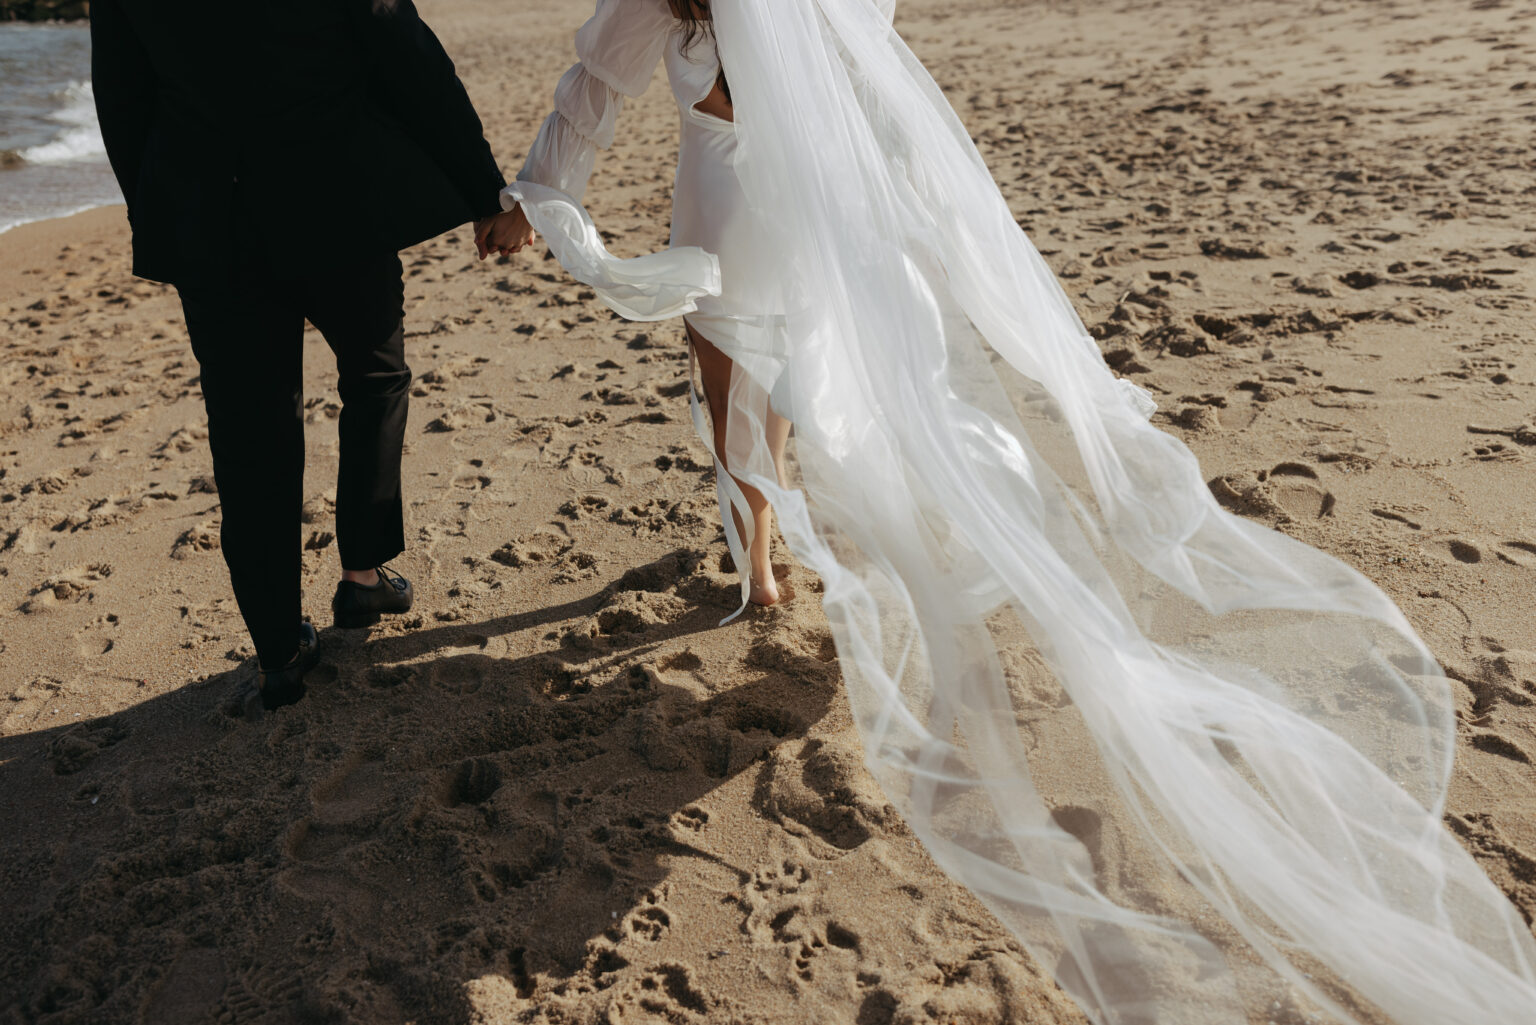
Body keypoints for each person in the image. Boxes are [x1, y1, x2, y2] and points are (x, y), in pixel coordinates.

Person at [481, 1, 1536, 1023]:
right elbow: (867, 69)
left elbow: (592, 93)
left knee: (734, 400)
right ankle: (775, 558)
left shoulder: (667, 9)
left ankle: (758, 567)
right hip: (793, 221)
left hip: (725, 218)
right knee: (796, 393)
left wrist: (537, 192)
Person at [90, 0, 508, 712]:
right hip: (337, 196)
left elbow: (122, 98)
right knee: (377, 374)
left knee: (251, 433)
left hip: (212, 220)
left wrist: (162, 211)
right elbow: (403, 48)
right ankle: (363, 574)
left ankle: (279, 649)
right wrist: (481, 187)